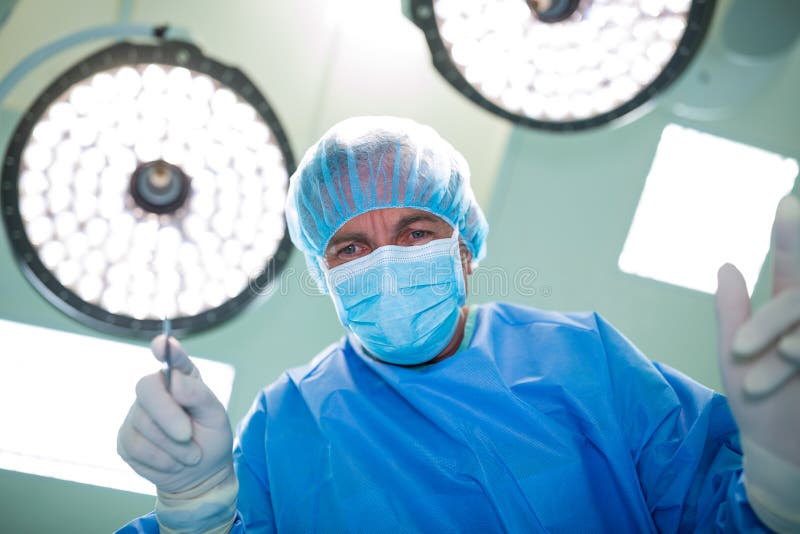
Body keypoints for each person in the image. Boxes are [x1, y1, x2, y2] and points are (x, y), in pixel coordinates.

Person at [117, 116, 800, 533]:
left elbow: (714, 515)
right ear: (325, 276)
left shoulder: (579, 359)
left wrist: (780, 486)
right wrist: (196, 508)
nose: (385, 261)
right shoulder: (288, 423)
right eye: (351, 247)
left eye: (416, 230)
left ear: (465, 248)